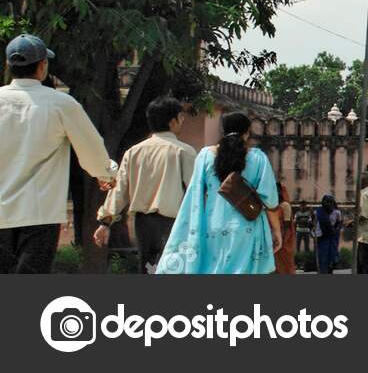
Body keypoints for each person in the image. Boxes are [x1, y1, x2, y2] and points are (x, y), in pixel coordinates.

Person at [0, 34, 116, 274]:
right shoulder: (61, 104)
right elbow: (91, 149)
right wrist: (106, 174)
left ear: (8, 66)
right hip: (39, 215)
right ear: (43, 66)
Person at [158, 111, 280, 274]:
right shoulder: (258, 158)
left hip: (212, 227)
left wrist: (191, 228)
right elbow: (270, 200)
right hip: (248, 227)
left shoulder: (205, 155)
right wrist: (276, 230)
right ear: (247, 132)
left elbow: (195, 194)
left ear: (222, 130)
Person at [92, 95, 195, 273]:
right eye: (180, 116)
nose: (183, 120)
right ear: (172, 121)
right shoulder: (184, 152)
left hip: (142, 224)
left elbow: (119, 190)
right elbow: (196, 191)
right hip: (174, 223)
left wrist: (105, 222)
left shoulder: (134, 152)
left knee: (148, 268)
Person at [311, 194, 343, 273]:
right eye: (326, 202)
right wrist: (311, 233)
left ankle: (330, 270)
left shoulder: (337, 212)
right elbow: (311, 223)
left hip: (333, 237)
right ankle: (322, 271)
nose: (328, 204)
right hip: (321, 237)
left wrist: (336, 230)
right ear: (323, 203)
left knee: (332, 255)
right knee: (322, 256)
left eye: (330, 202)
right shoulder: (317, 212)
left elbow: (339, 223)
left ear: (333, 203)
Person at [271, 195, 297, 274]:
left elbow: (286, 224)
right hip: (275, 236)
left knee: (284, 262)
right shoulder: (273, 205)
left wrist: (282, 238)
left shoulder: (285, 205)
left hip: (283, 237)